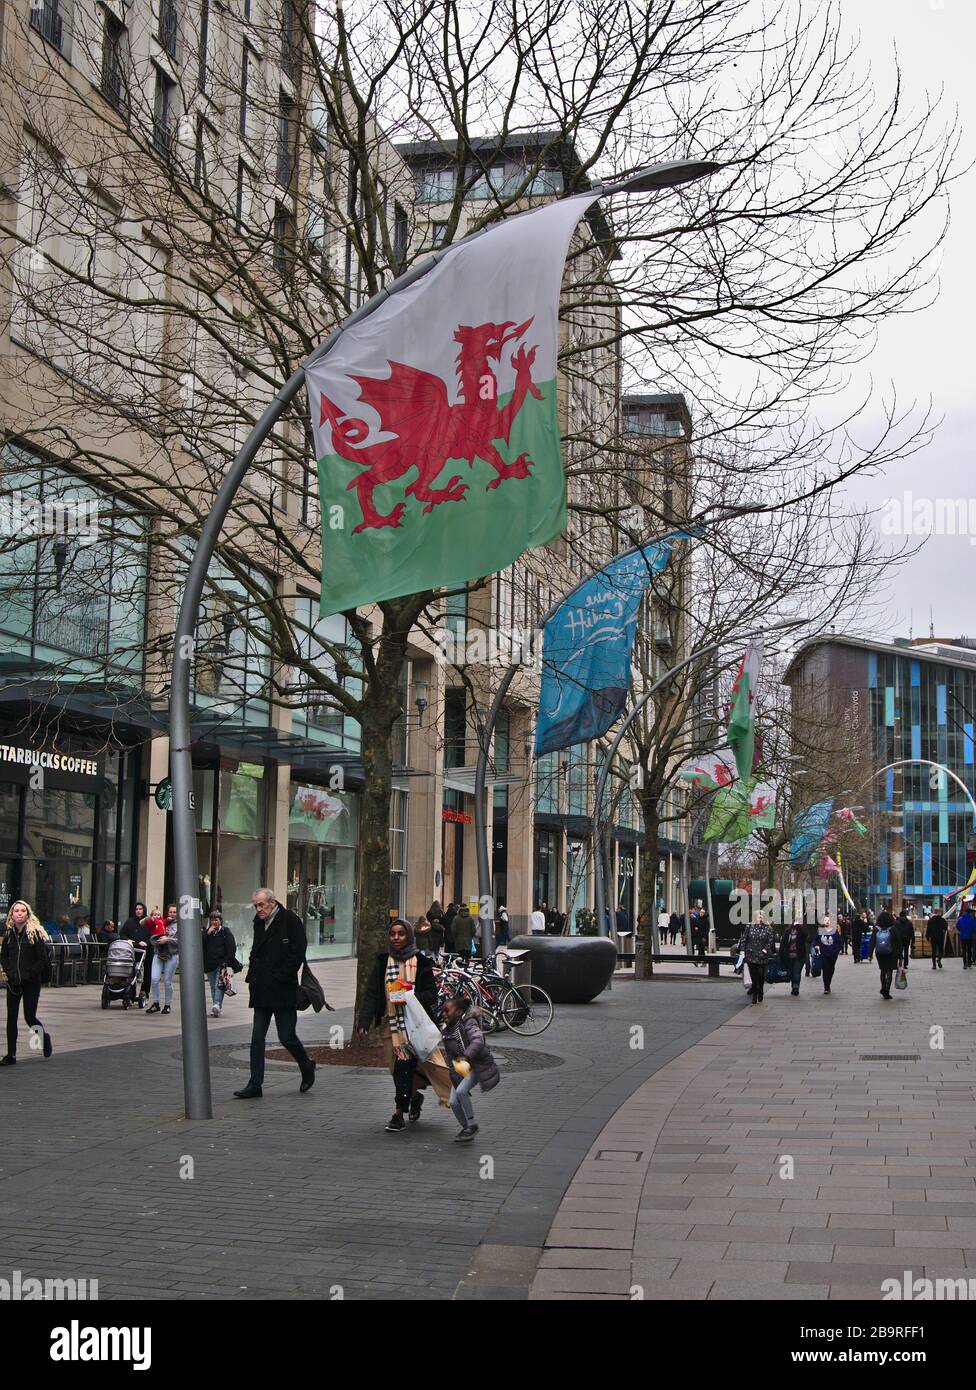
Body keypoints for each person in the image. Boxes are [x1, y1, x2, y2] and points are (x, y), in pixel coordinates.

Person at [356, 918, 452, 1131]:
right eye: (393, 934)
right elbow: (372, 994)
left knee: (402, 1068)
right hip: (391, 1026)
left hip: (414, 1027)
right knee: (395, 1069)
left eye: (401, 934)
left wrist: (408, 994)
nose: (396, 938)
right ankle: (414, 1097)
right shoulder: (383, 962)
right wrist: (364, 1021)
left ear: (409, 936)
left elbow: (431, 995)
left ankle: (398, 1114)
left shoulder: (422, 962)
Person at [234, 888, 315, 1099]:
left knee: (286, 1036)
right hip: (261, 988)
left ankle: (306, 1065)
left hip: (282, 989)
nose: (258, 909)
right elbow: (256, 949)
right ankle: (255, 1084)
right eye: (255, 905)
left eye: (261, 905)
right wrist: (251, 974)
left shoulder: (290, 920)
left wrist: (281, 975)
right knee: (257, 1038)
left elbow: (298, 951)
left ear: (272, 903)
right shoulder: (258, 921)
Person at [440, 992, 500, 1141]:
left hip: (477, 1064)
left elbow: (478, 1041)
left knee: (461, 1091)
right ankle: (467, 1128)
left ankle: (472, 1125)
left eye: (447, 1011)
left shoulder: (469, 1023)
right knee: (453, 1102)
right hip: (463, 1067)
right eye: (443, 1011)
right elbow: (451, 1056)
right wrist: (454, 1071)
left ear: (459, 1012)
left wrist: (466, 1056)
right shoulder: (447, 1031)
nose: (444, 1014)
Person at [1, 900, 54, 1064]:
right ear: (12, 914)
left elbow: (42, 960)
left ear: (27, 914)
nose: (19, 913)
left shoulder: (34, 934)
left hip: (31, 981)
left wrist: (29, 975)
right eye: (16, 911)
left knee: (29, 1017)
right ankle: (11, 1055)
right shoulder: (9, 934)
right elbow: (4, 956)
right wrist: (9, 974)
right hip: (13, 982)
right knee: (11, 1017)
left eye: (22, 911)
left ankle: (44, 1038)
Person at [202, 910, 238, 1017]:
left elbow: (231, 946)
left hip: (221, 964)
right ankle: (216, 1006)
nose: (214, 922)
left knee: (219, 985)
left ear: (220, 921)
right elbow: (200, 944)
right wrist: (207, 933)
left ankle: (217, 1004)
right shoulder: (207, 932)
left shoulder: (225, 932)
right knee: (213, 986)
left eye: (216, 920)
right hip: (209, 964)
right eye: (212, 920)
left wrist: (227, 961)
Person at [147, 904, 179, 1014]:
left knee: (167, 981)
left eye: (175, 912)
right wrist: (156, 939)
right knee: (154, 978)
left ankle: (167, 1005)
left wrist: (168, 939)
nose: (172, 914)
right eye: (171, 912)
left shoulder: (181, 925)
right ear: (167, 912)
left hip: (172, 954)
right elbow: (151, 934)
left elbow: (181, 941)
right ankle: (155, 1003)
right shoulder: (161, 921)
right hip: (158, 953)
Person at [120, 902, 153, 1007]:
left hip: (146, 950)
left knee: (147, 972)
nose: (138, 911)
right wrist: (129, 940)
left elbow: (153, 934)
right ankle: (130, 994)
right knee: (132, 972)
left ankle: (145, 993)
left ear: (144, 910)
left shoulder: (148, 921)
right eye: (137, 909)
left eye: (140, 909)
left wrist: (146, 942)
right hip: (133, 950)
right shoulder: (130, 922)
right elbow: (122, 933)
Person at [738, 912, 774, 1004]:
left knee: (761, 975)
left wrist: (765, 950)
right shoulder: (749, 927)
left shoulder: (768, 928)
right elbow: (744, 939)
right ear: (755, 918)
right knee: (753, 976)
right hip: (751, 954)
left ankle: (760, 991)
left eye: (761, 917)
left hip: (762, 956)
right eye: (759, 917)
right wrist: (742, 951)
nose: (760, 918)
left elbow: (770, 941)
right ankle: (754, 995)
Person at [778, 919, 809, 996]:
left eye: (799, 922)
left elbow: (806, 936)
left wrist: (799, 927)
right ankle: (794, 987)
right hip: (789, 956)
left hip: (799, 956)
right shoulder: (788, 931)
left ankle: (796, 988)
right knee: (792, 972)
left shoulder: (802, 931)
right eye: (796, 922)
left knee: (796, 972)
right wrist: (781, 954)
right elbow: (783, 943)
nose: (797, 923)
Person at [874, 910, 899, 1000]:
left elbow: (872, 941)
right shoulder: (893, 929)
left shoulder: (876, 929)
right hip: (891, 953)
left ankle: (883, 987)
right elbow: (898, 941)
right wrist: (900, 955)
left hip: (879, 953)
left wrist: (869, 954)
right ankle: (886, 990)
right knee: (889, 972)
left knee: (883, 971)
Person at [816, 916, 842, 995]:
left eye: (828, 920)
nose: (827, 921)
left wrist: (836, 951)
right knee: (825, 969)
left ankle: (828, 982)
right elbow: (815, 940)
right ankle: (826, 987)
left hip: (833, 954)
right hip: (823, 954)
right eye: (825, 920)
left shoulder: (834, 931)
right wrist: (816, 945)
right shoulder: (820, 931)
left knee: (831, 969)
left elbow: (839, 943)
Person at [958, 902, 976, 970]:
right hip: (969, 937)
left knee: (964, 950)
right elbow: (975, 927)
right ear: (970, 913)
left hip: (962, 937)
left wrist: (961, 931)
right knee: (969, 950)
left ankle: (964, 964)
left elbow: (958, 926)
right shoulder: (972, 919)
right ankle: (969, 963)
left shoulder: (960, 919)